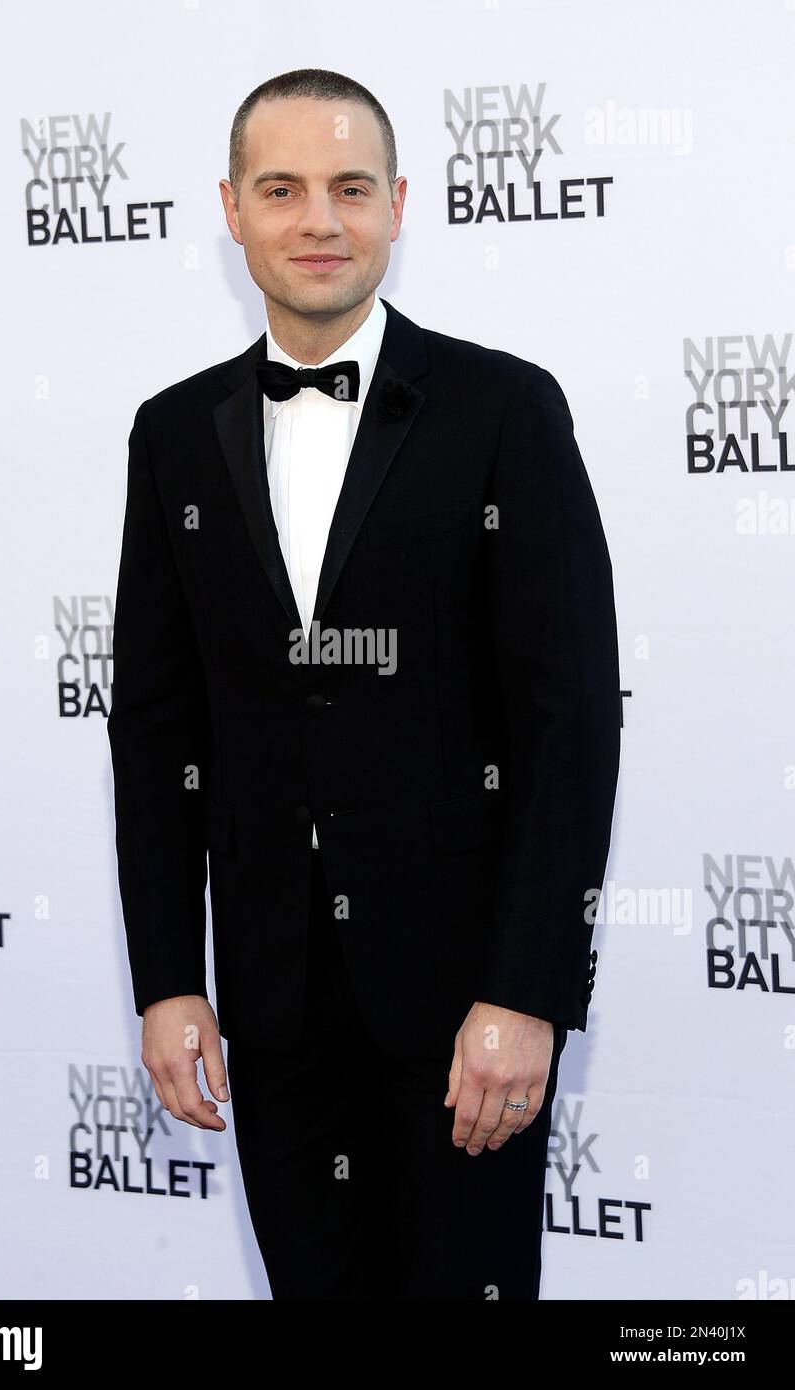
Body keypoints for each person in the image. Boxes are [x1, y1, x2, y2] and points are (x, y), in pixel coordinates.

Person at [106, 66, 620, 1300]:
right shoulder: (172, 432)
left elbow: (567, 721)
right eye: (280, 189)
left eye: (347, 188)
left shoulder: (505, 411)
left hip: (461, 1015)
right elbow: (156, 725)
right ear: (230, 211)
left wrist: (524, 992)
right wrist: (173, 980)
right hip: (273, 1013)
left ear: (398, 203)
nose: (317, 221)